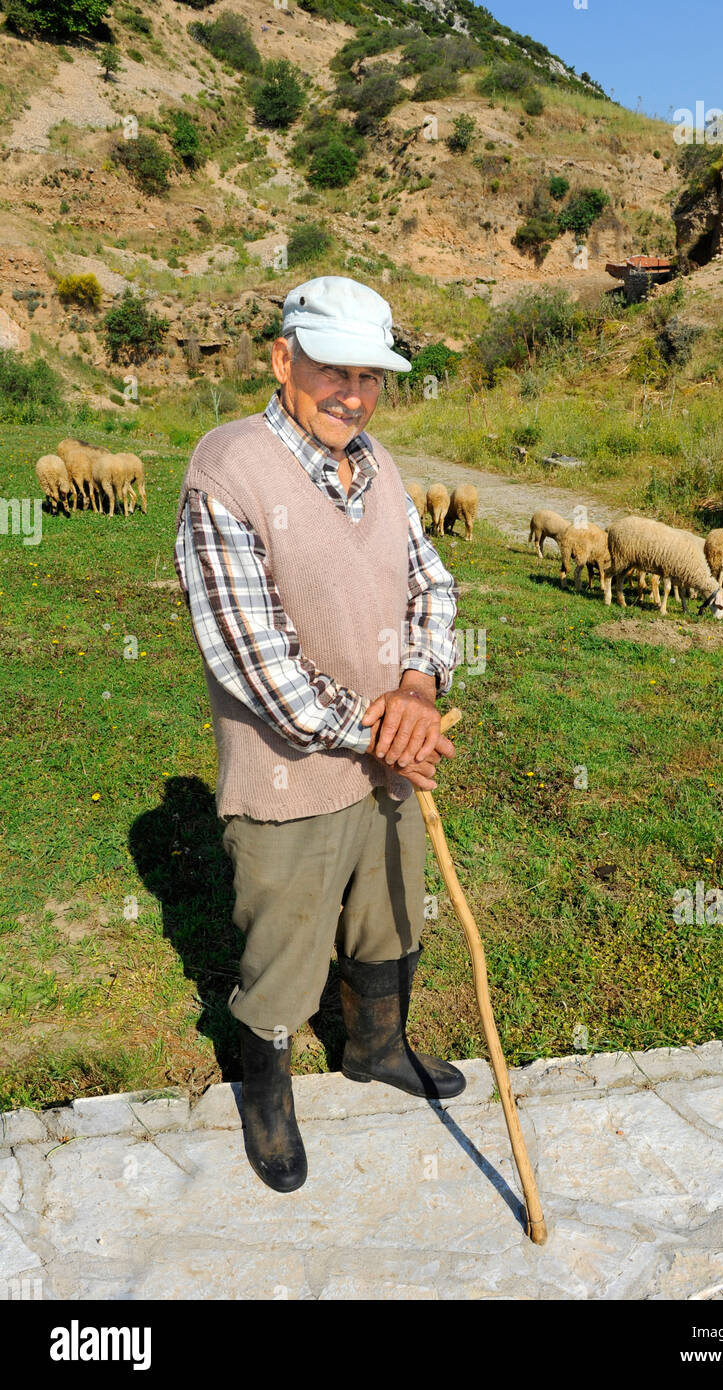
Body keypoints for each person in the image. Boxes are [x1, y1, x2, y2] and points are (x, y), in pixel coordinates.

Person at [173, 275, 465, 1194]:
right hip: (290, 775)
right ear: (280, 359)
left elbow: (432, 587)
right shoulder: (226, 471)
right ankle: (267, 1101)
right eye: (330, 370)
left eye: (369, 375)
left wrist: (418, 684)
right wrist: (385, 729)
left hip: (389, 763)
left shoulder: (380, 465)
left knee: (389, 914)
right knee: (285, 950)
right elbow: (258, 666)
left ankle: (377, 1048)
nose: (351, 392)